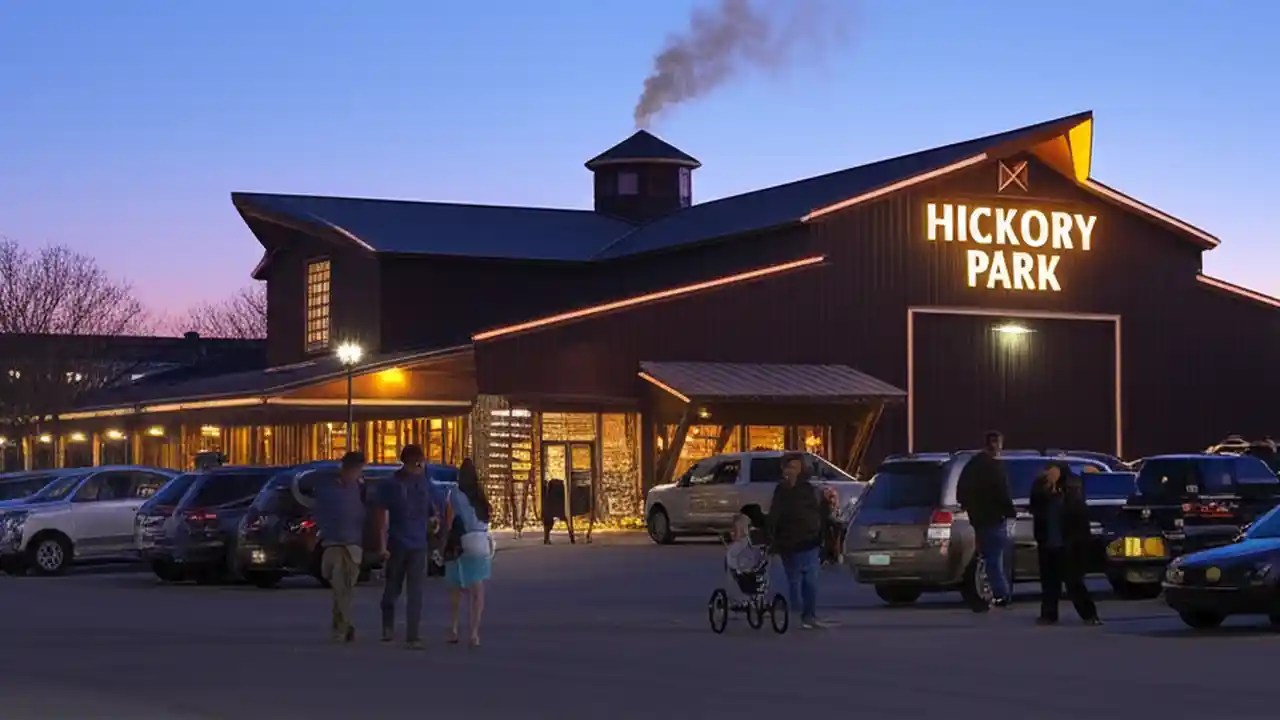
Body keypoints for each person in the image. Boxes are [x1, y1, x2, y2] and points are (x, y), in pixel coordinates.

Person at [371, 444, 447, 649]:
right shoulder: (391, 484)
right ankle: (388, 625)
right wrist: (382, 544)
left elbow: (434, 506)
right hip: (397, 542)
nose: (418, 466)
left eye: (420, 462)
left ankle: (413, 635)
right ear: (405, 463)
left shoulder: (424, 482)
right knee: (393, 587)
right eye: (415, 463)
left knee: (416, 590)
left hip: (418, 543)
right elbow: (381, 514)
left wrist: (435, 521)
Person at [1029, 462, 1101, 626]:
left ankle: (1089, 614)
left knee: (1074, 582)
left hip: (1068, 544)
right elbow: (1035, 506)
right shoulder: (1042, 491)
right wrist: (1045, 487)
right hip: (1049, 543)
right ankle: (1048, 614)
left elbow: (1079, 517)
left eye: (1053, 473)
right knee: (1049, 583)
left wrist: (1082, 543)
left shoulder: (1071, 490)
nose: (1050, 476)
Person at [766, 453, 830, 629]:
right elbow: (774, 514)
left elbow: (820, 512)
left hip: (809, 540)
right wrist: (771, 537)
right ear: (783, 469)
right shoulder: (781, 490)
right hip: (787, 542)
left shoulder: (808, 489)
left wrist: (822, 531)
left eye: (796, 467)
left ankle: (809, 615)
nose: (792, 471)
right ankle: (799, 616)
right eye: (789, 467)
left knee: (810, 580)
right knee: (794, 580)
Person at [956, 430, 1016, 611]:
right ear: (997, 445)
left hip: (979, 520)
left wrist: (971, 508)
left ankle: (990, 592)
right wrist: (1010, 512)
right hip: (995, 519)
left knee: (987, 558)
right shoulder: (994, 468)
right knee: (995, 559)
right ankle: (1001, 594)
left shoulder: (972, 466)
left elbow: (962, 492)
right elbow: (1002, 494)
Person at [311, 451, 367, 643]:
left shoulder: (359, 488)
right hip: (333, 542)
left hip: (353, 544)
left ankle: (343, 626)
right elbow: (318, 511)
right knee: (339, 586)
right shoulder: (328, 488)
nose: (358, 473)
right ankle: (343, 626)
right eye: (356, 469)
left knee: (345, 588)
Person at [442, 458, 493, 647]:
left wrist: (444, 539)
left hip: (461, 541)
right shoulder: (480, 496)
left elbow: (449, 520)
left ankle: (454, 629)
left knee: (455, 589)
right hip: (481, 543)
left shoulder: (454, 493)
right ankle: (474, 633)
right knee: (477, 591)